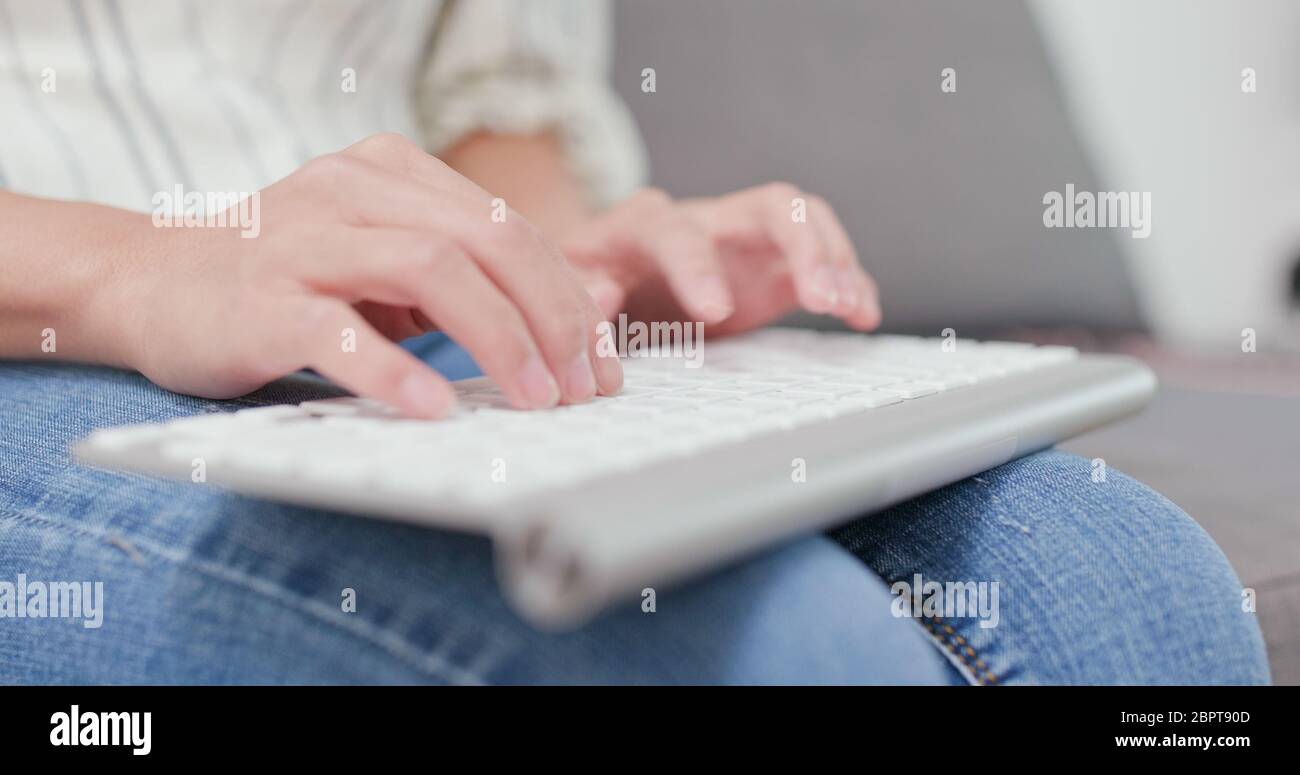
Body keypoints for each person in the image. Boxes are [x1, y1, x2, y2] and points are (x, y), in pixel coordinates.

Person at [0, 0, 1268, 684]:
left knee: (1129, 577)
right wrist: (137, 262)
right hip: (45, 344)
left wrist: (562, 267)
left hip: (393, 338)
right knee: (775, 660)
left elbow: (499, 123)